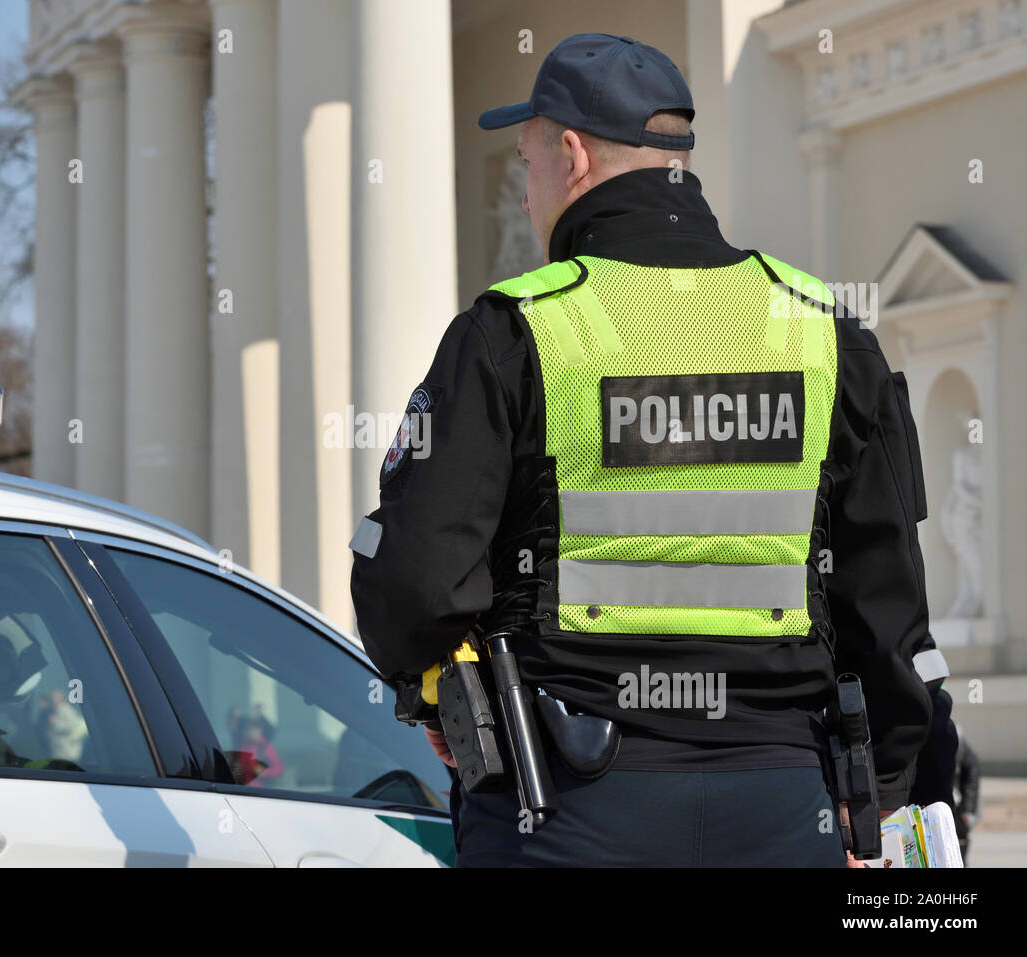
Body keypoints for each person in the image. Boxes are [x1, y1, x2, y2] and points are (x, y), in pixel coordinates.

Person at [350, 33, 945, 866]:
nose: (526, 196)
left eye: (526, 164)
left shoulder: (514, 333)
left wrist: (436, 696)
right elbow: (889, 606)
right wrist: (877, 795)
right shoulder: (824, 334)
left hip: (566, 807)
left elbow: (413, 580)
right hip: (783, 804)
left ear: (571, 154)